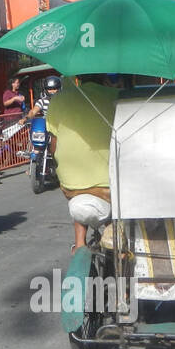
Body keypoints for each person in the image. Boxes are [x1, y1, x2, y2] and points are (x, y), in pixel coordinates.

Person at [46, 74, 119, 253]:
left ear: (78, 76)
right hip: (107, 187)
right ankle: (117, 234)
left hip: (70, 186)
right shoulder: (118, 96)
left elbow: (53, 147)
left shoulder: (58, 99)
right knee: (120, 192)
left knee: (79, 183)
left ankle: (79, 242)